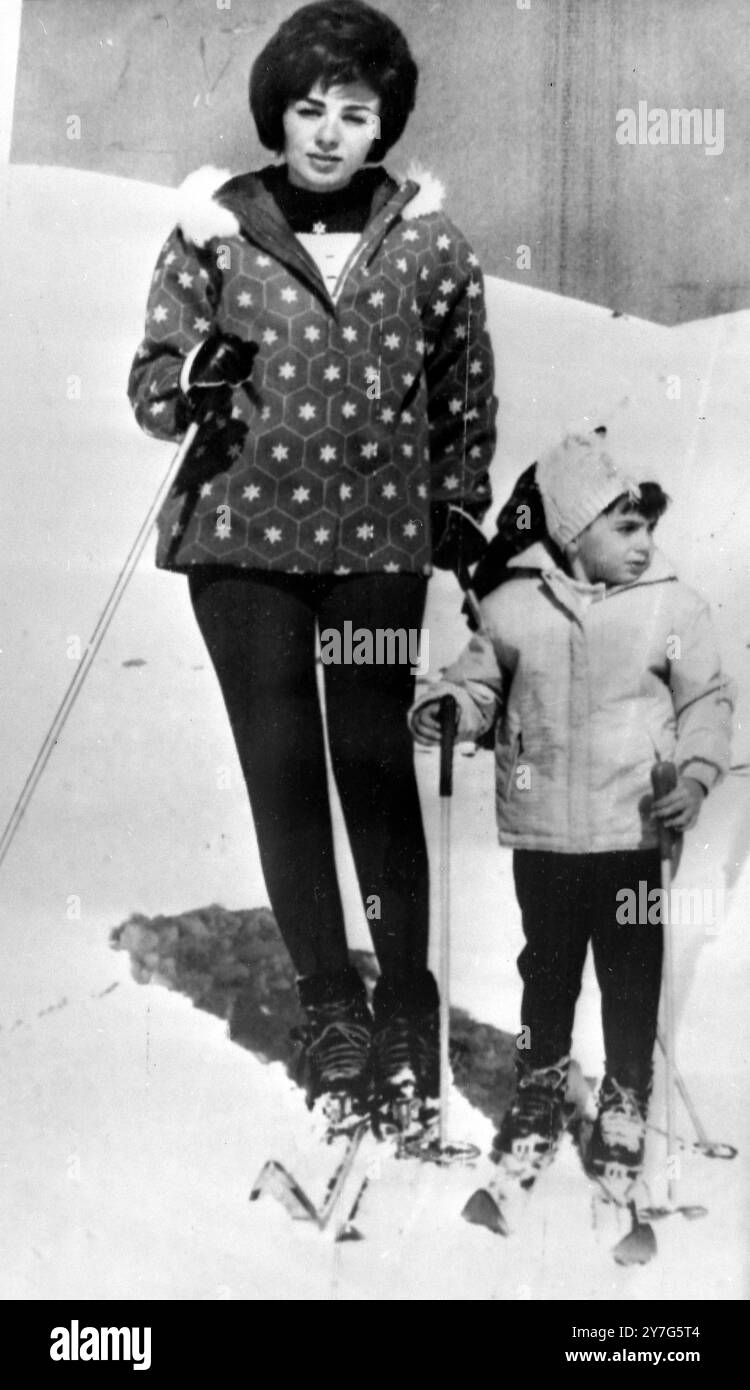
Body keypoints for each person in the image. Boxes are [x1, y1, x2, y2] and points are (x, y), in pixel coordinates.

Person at [127, 0, 497, 1134]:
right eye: (308, 108)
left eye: (356, 112)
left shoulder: (431, 244)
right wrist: (192, 375)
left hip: (377, 545)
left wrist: (458, 508)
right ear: (276, 113)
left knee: (372, 762)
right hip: (240, 545)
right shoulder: (213, 232)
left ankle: (405, 995)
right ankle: (330, 1001)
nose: (329, 133)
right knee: (282, 768)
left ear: (385, 125)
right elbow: (150, 387)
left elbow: (464, 395)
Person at [410, 430, 732, 1199]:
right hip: (546, 837)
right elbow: (480, 683)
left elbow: (706, 702)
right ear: (571, 534)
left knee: (629, 971)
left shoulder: (673, 608)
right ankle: (540, 1081)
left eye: (649, 527)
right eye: (625, 528)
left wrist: (693, 774)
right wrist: (451, 708)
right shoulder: (514, 608)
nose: (645, 543)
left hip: (634, 832)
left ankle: (625, 1096)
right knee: (546, 970)